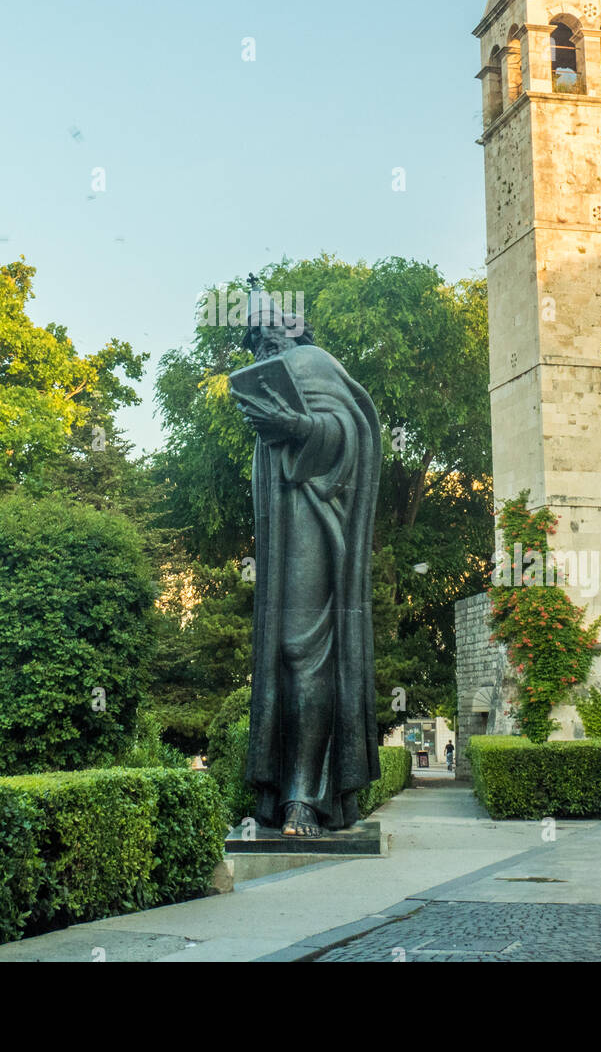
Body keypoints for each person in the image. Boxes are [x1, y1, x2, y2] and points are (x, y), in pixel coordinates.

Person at [235, 291, 382, 837]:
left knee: (302, 649)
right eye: (251, 334)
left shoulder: (314, 363)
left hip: (318, 522)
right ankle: (287, 797)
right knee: (282, 655)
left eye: (266, 326)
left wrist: (296, 428)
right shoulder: (270, 373)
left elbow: (350, 434)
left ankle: (303, 797)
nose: (258, 339)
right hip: (284, 531)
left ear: (294, 324)